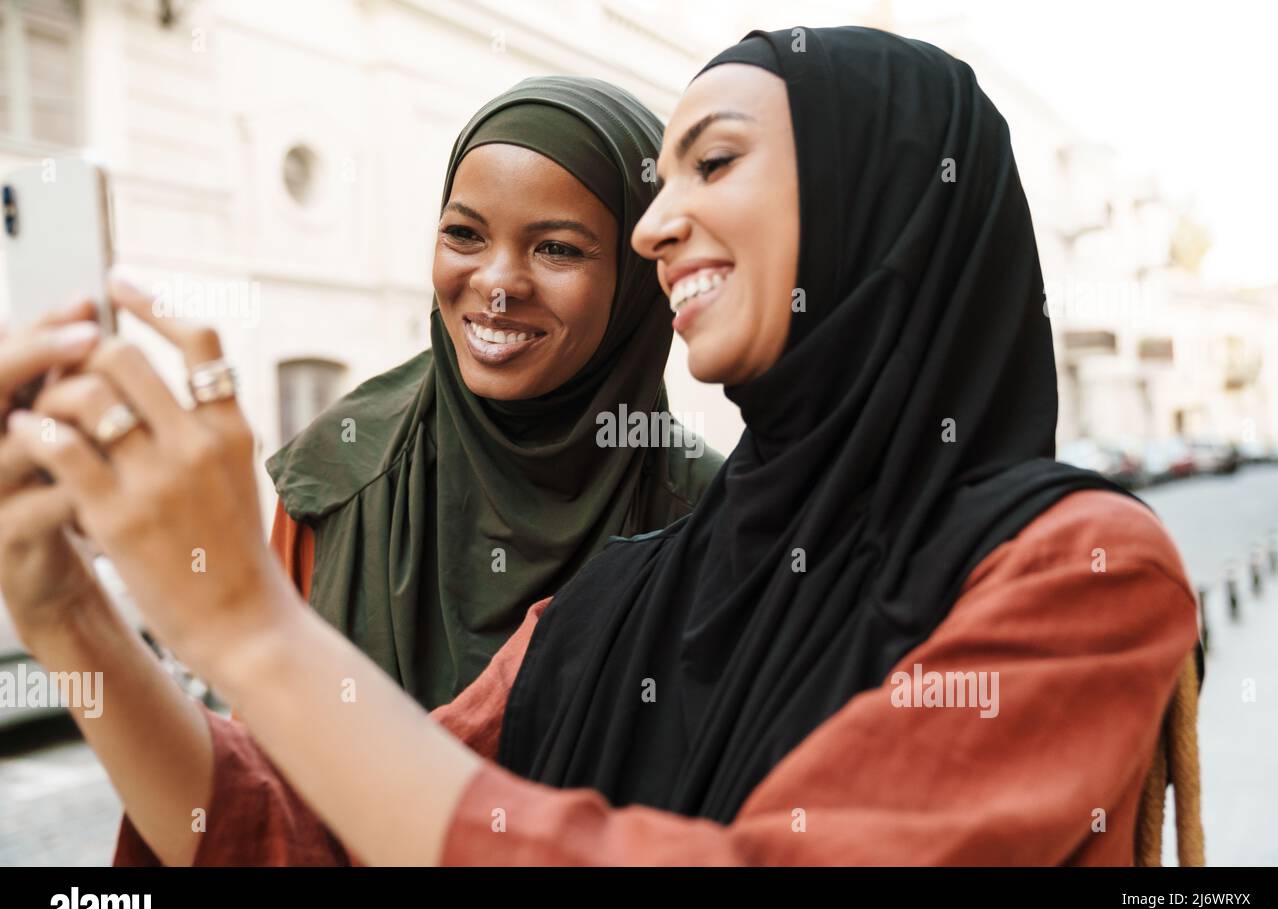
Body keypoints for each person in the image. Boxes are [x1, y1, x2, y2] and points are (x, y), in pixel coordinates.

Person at [0, 27, 1197, 866]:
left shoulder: (1078, 570)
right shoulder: (619, 596)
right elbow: (298, 830)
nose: (656, 225)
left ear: (874, 201)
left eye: (711, 163)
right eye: (653, 183)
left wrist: (245, 624)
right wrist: (71, 616)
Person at [265, 77, 720, 709]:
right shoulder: (338, 475)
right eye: (465, 235)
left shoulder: (712, 520)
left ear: (642, 278)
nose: (499, 285)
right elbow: (257, 762)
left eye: (557, 249)